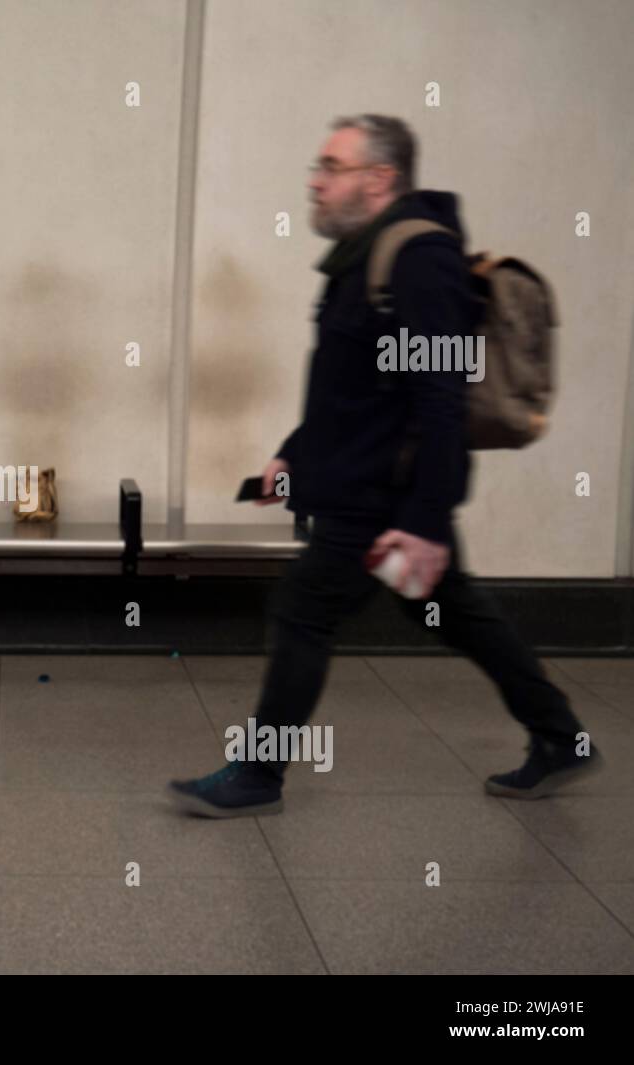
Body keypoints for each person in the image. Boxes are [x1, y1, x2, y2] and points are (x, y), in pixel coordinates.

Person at [168, 114, 602, 818]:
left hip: (383, 497)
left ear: (379, 178)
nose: (315, 180)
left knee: (305, 607)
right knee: (456, 614)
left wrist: (427, 520)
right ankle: (562, 738)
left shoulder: (418, 259)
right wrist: (294, 451)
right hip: (372, 486)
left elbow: (440, 395)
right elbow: (355, 384)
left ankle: (259, 772)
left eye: (332, 167)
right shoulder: (364, 257)